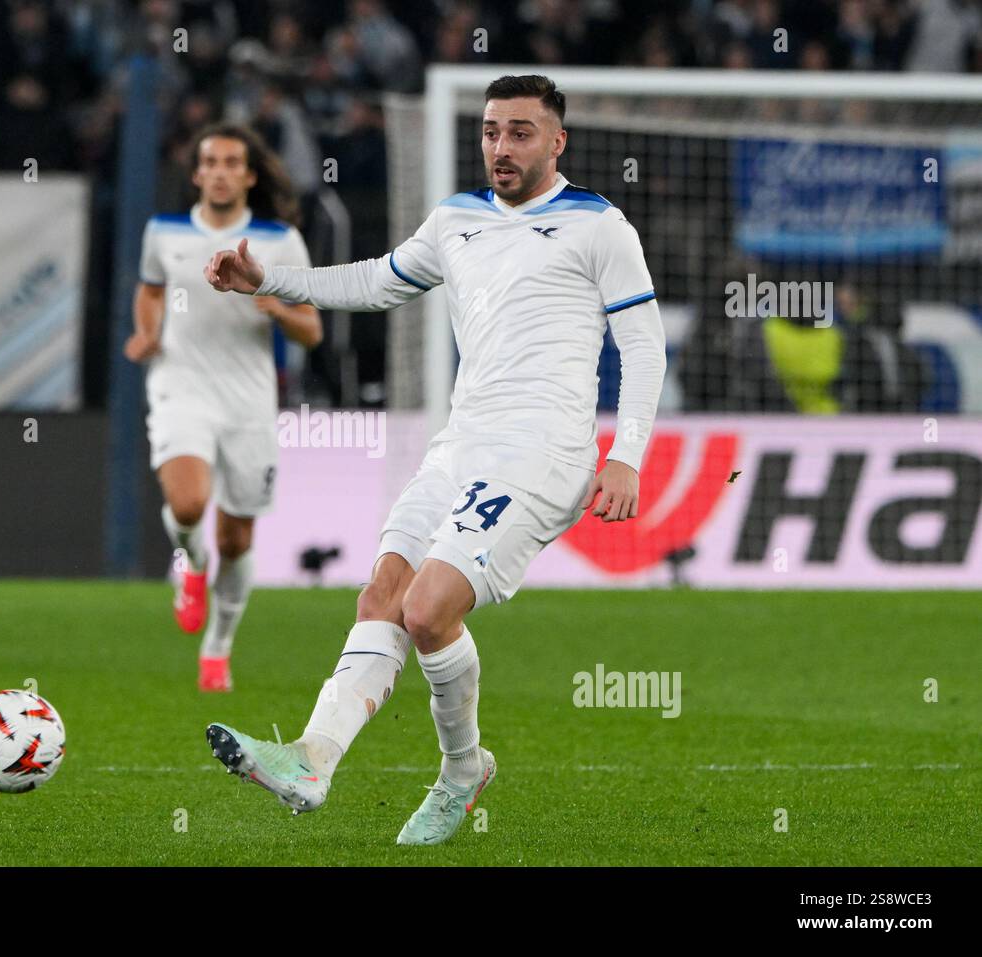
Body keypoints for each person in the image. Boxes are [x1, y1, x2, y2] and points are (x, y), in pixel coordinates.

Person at [201, 75, 667, 845]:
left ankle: (459, 771)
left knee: (426, 609)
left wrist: (628, 456)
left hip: (544, 453)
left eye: (520, 132)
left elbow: (644, 344)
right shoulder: (456, 219)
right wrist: (269, 280)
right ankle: (310, 760)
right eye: (490, 131)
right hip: (462, 444)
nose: (501, 147)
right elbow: (378, 281)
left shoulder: (599, 225)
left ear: (557, 142)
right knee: (382, 595)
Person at [126, 123, 322, 692]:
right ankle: (190, 560)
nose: (219, 171)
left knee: (237, 540)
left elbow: (311, 329)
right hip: (180, 385)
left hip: (248, 399)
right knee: (188, 504)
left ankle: (219, 645)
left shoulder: (280, 240)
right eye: (209, 160)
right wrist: (145, 333)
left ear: (249, 175)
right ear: (196, 173)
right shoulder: (163, 231)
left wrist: (277, 308)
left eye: (232, 162)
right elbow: (151, 289)